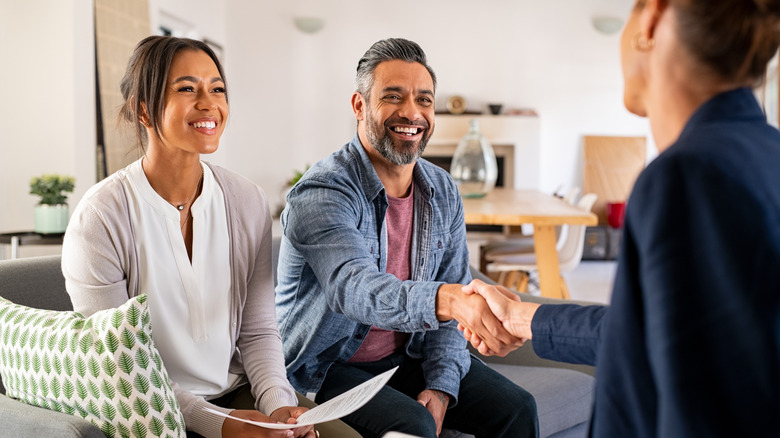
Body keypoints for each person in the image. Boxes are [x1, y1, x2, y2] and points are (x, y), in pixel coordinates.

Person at [461, 0, 780, 436]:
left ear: (651, 16)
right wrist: (524, 319)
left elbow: (697, 405)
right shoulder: (766, 154)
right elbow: (654, 334)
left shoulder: (689, 175)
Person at [62, 35, 337, 438]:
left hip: (236, 392)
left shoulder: (247, 201)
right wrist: (225, 426)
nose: (209, 103)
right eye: (187, 89)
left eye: (218, 89)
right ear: (143, 110)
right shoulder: (100, 217)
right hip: (148, 411)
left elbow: (258, 330)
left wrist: (279, 405)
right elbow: (122, 367)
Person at [275, 38, 536, 438]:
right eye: (393, 97)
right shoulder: (323, 192)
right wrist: (447, 299)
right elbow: (354, 287)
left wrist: (441, 385)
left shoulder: (442, 190)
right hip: (325, 367)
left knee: (518, 409)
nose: (412, 113)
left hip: (405, 356)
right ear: (359, 106)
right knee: (411, 423)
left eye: (424, 100)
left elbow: (455, 295)